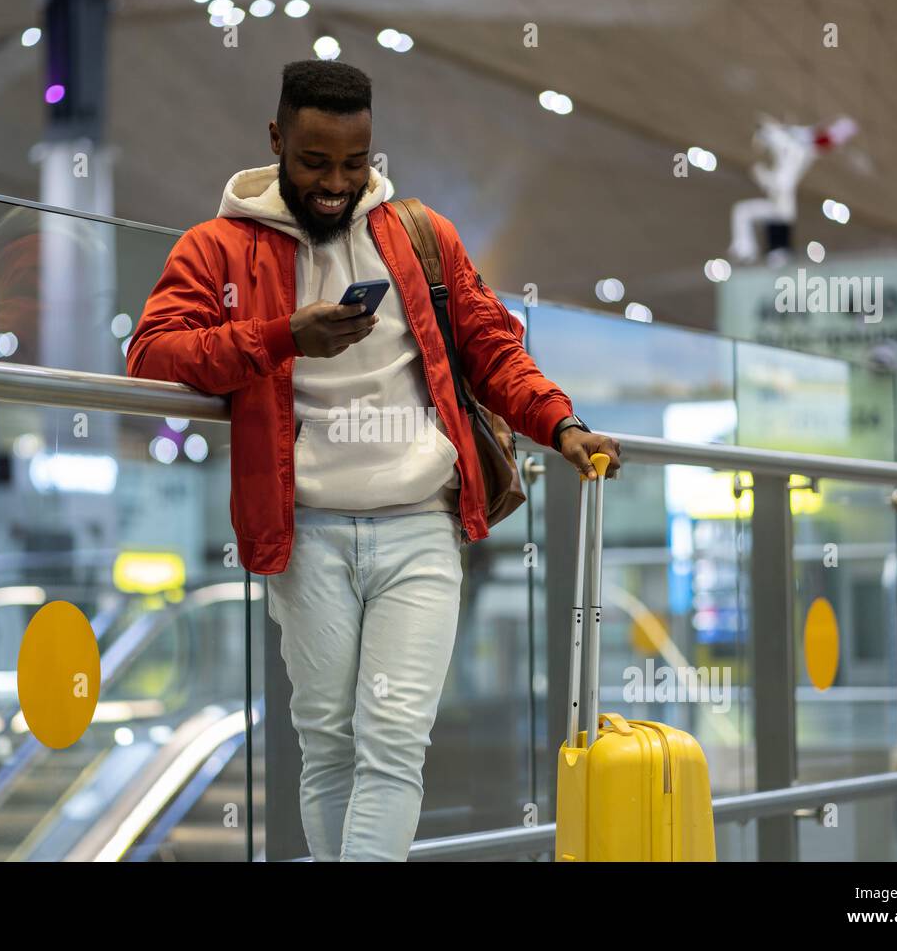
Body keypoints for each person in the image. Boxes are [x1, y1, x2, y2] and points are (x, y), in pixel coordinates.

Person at [127, 59, 621, 861]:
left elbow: (493, 348)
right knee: (327, 745)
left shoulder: (418, 236)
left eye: (354, 165)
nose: (335, 184)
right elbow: (152, 356)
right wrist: (284, 336)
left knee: (392, 742)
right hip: (305, 531)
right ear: (276, 140)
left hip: (420, 527)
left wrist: (561, 424)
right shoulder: (217, 248)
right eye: (314, 162)